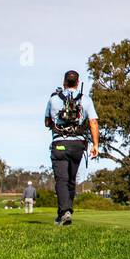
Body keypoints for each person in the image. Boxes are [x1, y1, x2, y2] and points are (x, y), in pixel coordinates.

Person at [44, 70, 99, 226]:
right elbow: (93, 123)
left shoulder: (53, 99)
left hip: (59, 143)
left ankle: (64, 212)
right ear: (77, 82)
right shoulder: (86, 100)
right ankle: (66, 210)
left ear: (64, 82)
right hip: (78, 145)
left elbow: (47, 122)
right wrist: (95, 145)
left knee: (61, 179)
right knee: (71, 180)